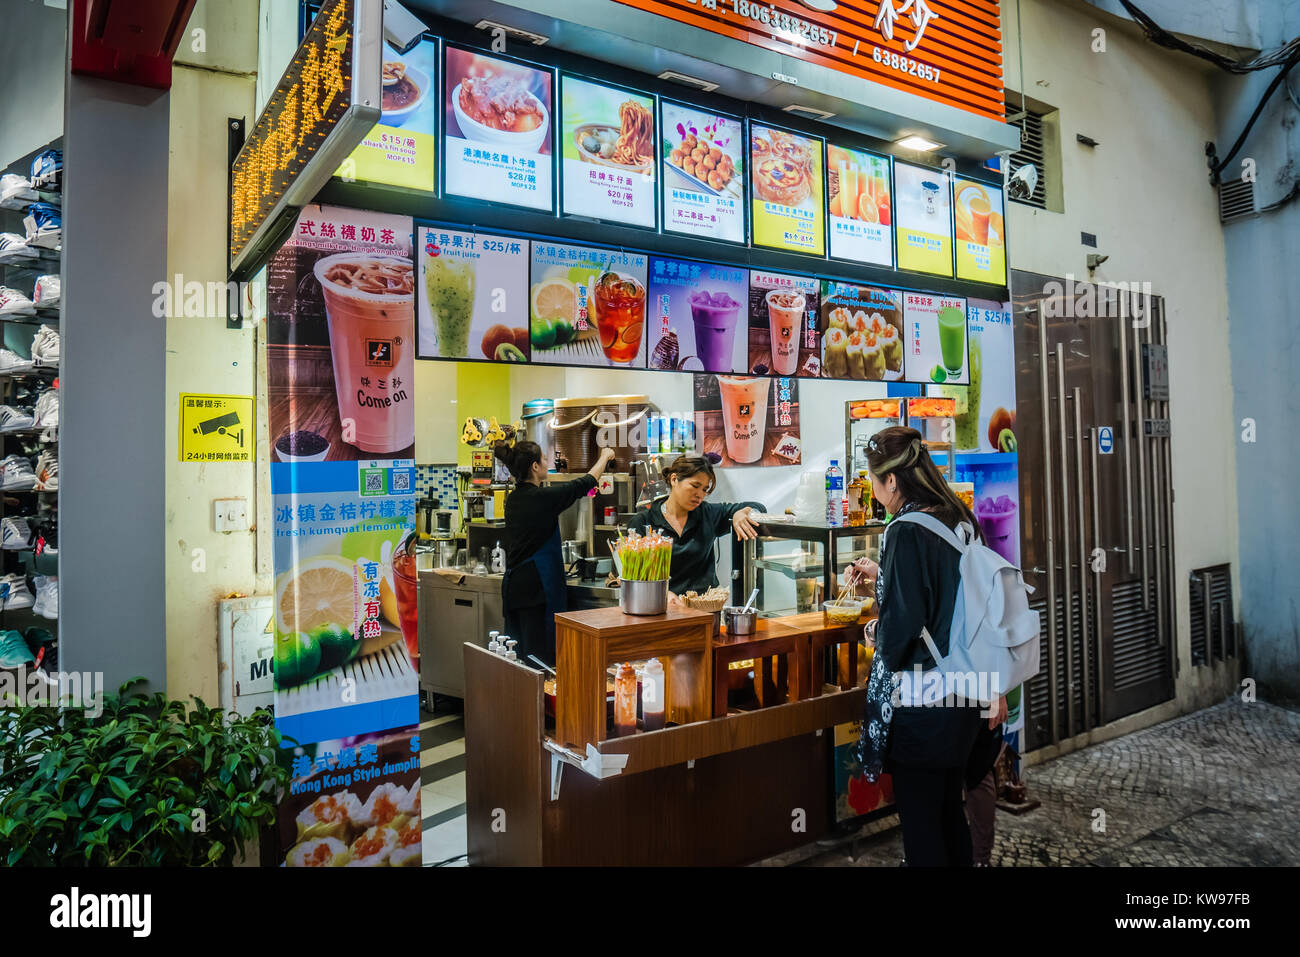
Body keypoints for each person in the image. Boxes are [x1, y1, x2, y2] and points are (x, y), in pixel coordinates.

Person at [843, 426, 986, 867]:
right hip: (965, 692)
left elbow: (904, 625)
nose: (873, 490)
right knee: (949, 814)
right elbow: (943, 595)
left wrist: (873, 635)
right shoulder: (958, 515)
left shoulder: (904, 529)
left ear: (892, 481)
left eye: (872, 480)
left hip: (923, 701)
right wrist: (884, 581)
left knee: (923, 828)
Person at [496, 440, 615, 666]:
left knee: (518, 657)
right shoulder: (541, 498)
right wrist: (605, 456)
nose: (546, 462)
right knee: (540, 660)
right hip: (535, 591)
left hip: (514, 588)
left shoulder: (514, 499)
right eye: (543, 459)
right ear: (534, 467)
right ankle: (543, 700)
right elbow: (585, 483)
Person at [626, 455, 764, 601]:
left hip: (704, 607)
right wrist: (662, 593)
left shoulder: (708, 514)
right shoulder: (642, 522)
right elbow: (632, 578)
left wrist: (742, 512)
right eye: (695, 486)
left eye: (705, 489)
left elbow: (760, 507)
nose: (700, 495)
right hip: (660, 606)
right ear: (674, 479)